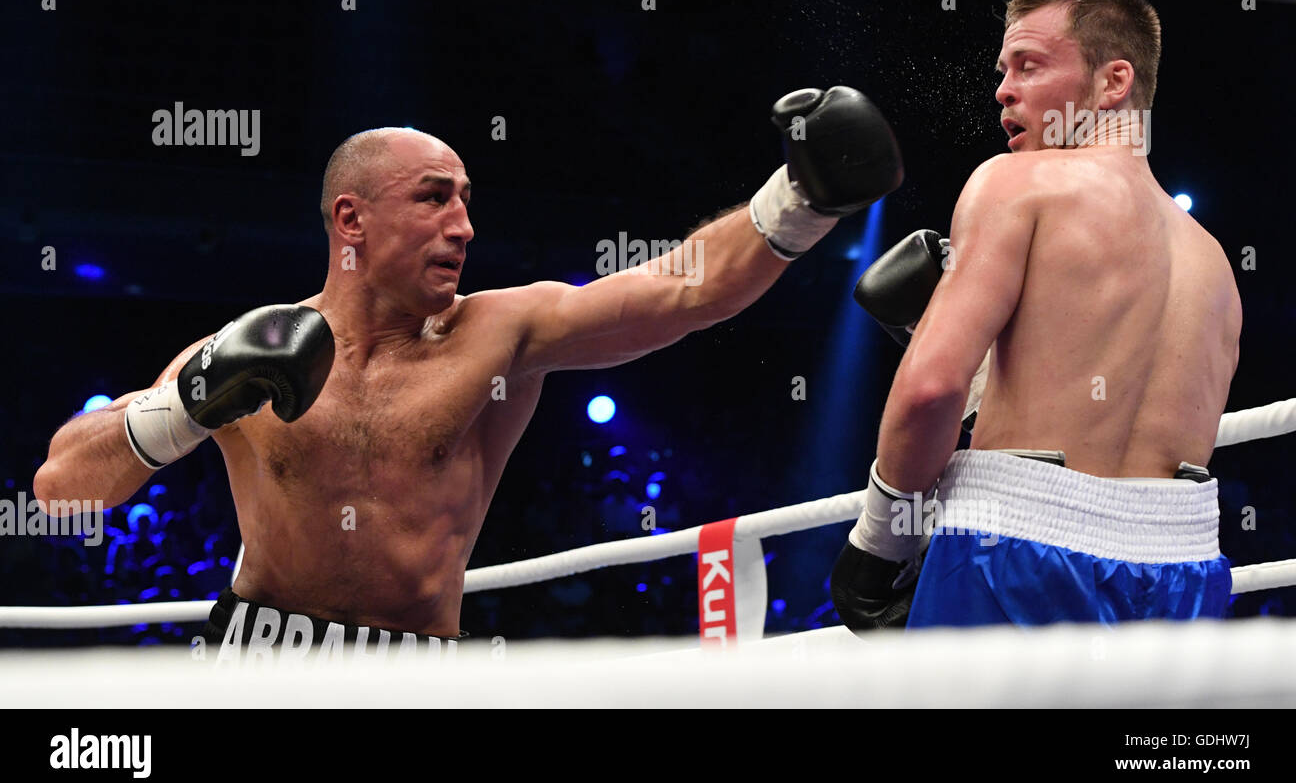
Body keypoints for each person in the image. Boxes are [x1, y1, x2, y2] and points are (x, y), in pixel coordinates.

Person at [36, 86, 902, 654]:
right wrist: (185, 405)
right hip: (260, 654)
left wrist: (800, 197)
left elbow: (683, 290)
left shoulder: (499, 333)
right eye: (433, 197)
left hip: (418, 665)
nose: (464, 226)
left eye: (467, 201)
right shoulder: (245, 352)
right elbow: (63, 487)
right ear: (352, 219)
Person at [833, 0, 1242, 630]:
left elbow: (931, 387)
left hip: (1015, 549)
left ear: (1114, 81)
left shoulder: (1016, 183)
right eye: (1003, 69)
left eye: (1028, 65)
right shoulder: (1215, 263)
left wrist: (881, 541)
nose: (1003, 89)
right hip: (1185, 575)